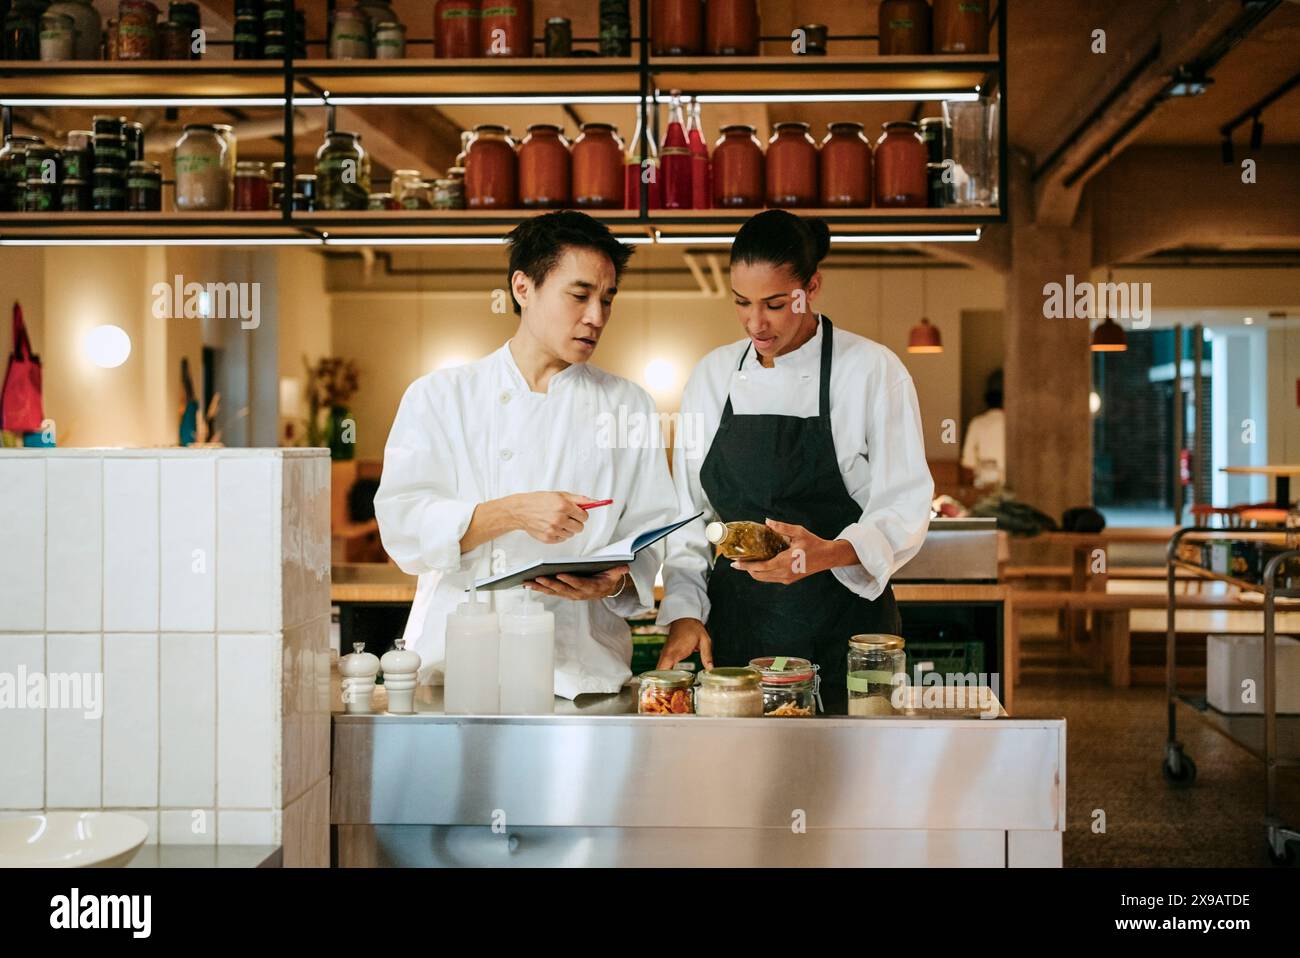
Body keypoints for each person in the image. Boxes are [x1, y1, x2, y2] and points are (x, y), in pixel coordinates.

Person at [374, 210, 678, 698]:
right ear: (522, 287)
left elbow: (647, 538)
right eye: (579, 295)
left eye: (607, 298)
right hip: (454, 671)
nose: (596, 316)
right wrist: (512, 513)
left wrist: (614, 584)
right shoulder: (441, 396)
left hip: (580, 676)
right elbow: (402, 528)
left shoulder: (627, 405)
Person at [655, 210, 933, 714]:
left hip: (847, 631)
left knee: (851, 779)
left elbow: (905, 508)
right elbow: (687, 518)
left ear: (812, 287)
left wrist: (826, 553)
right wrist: (684, 612)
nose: (755, 323)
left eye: (775, 304)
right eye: (741, 303)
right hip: (738, 636)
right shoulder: (712, 376)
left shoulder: (871, 370)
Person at [960, 368, 1005, 491]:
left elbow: (968, 463)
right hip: (1010, 487)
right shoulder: (1015, 425)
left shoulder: (977, 423)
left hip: (983, 487)